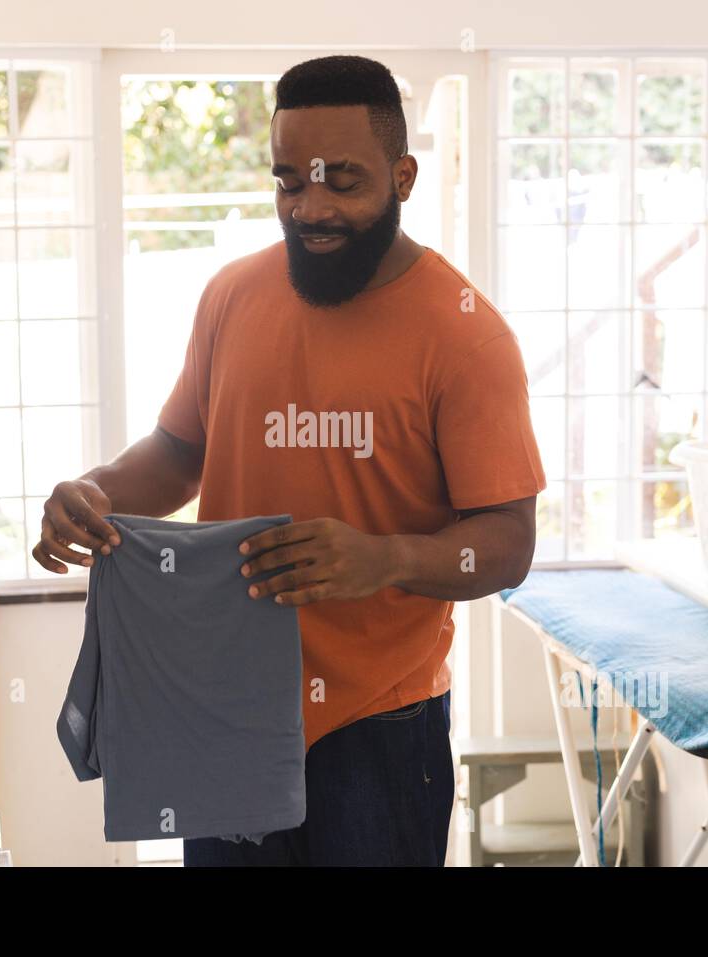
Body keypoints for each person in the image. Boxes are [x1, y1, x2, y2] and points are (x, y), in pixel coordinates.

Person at [33, 54, 547, 866]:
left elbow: (509, 542)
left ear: (404, 176)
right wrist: (94, 490)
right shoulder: (232, 297)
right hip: (222, 710)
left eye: (342, 181)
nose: (310, 208)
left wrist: (383, 559)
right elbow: (179, 453)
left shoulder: (465, 336)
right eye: (288, 182)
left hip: (380, 733)